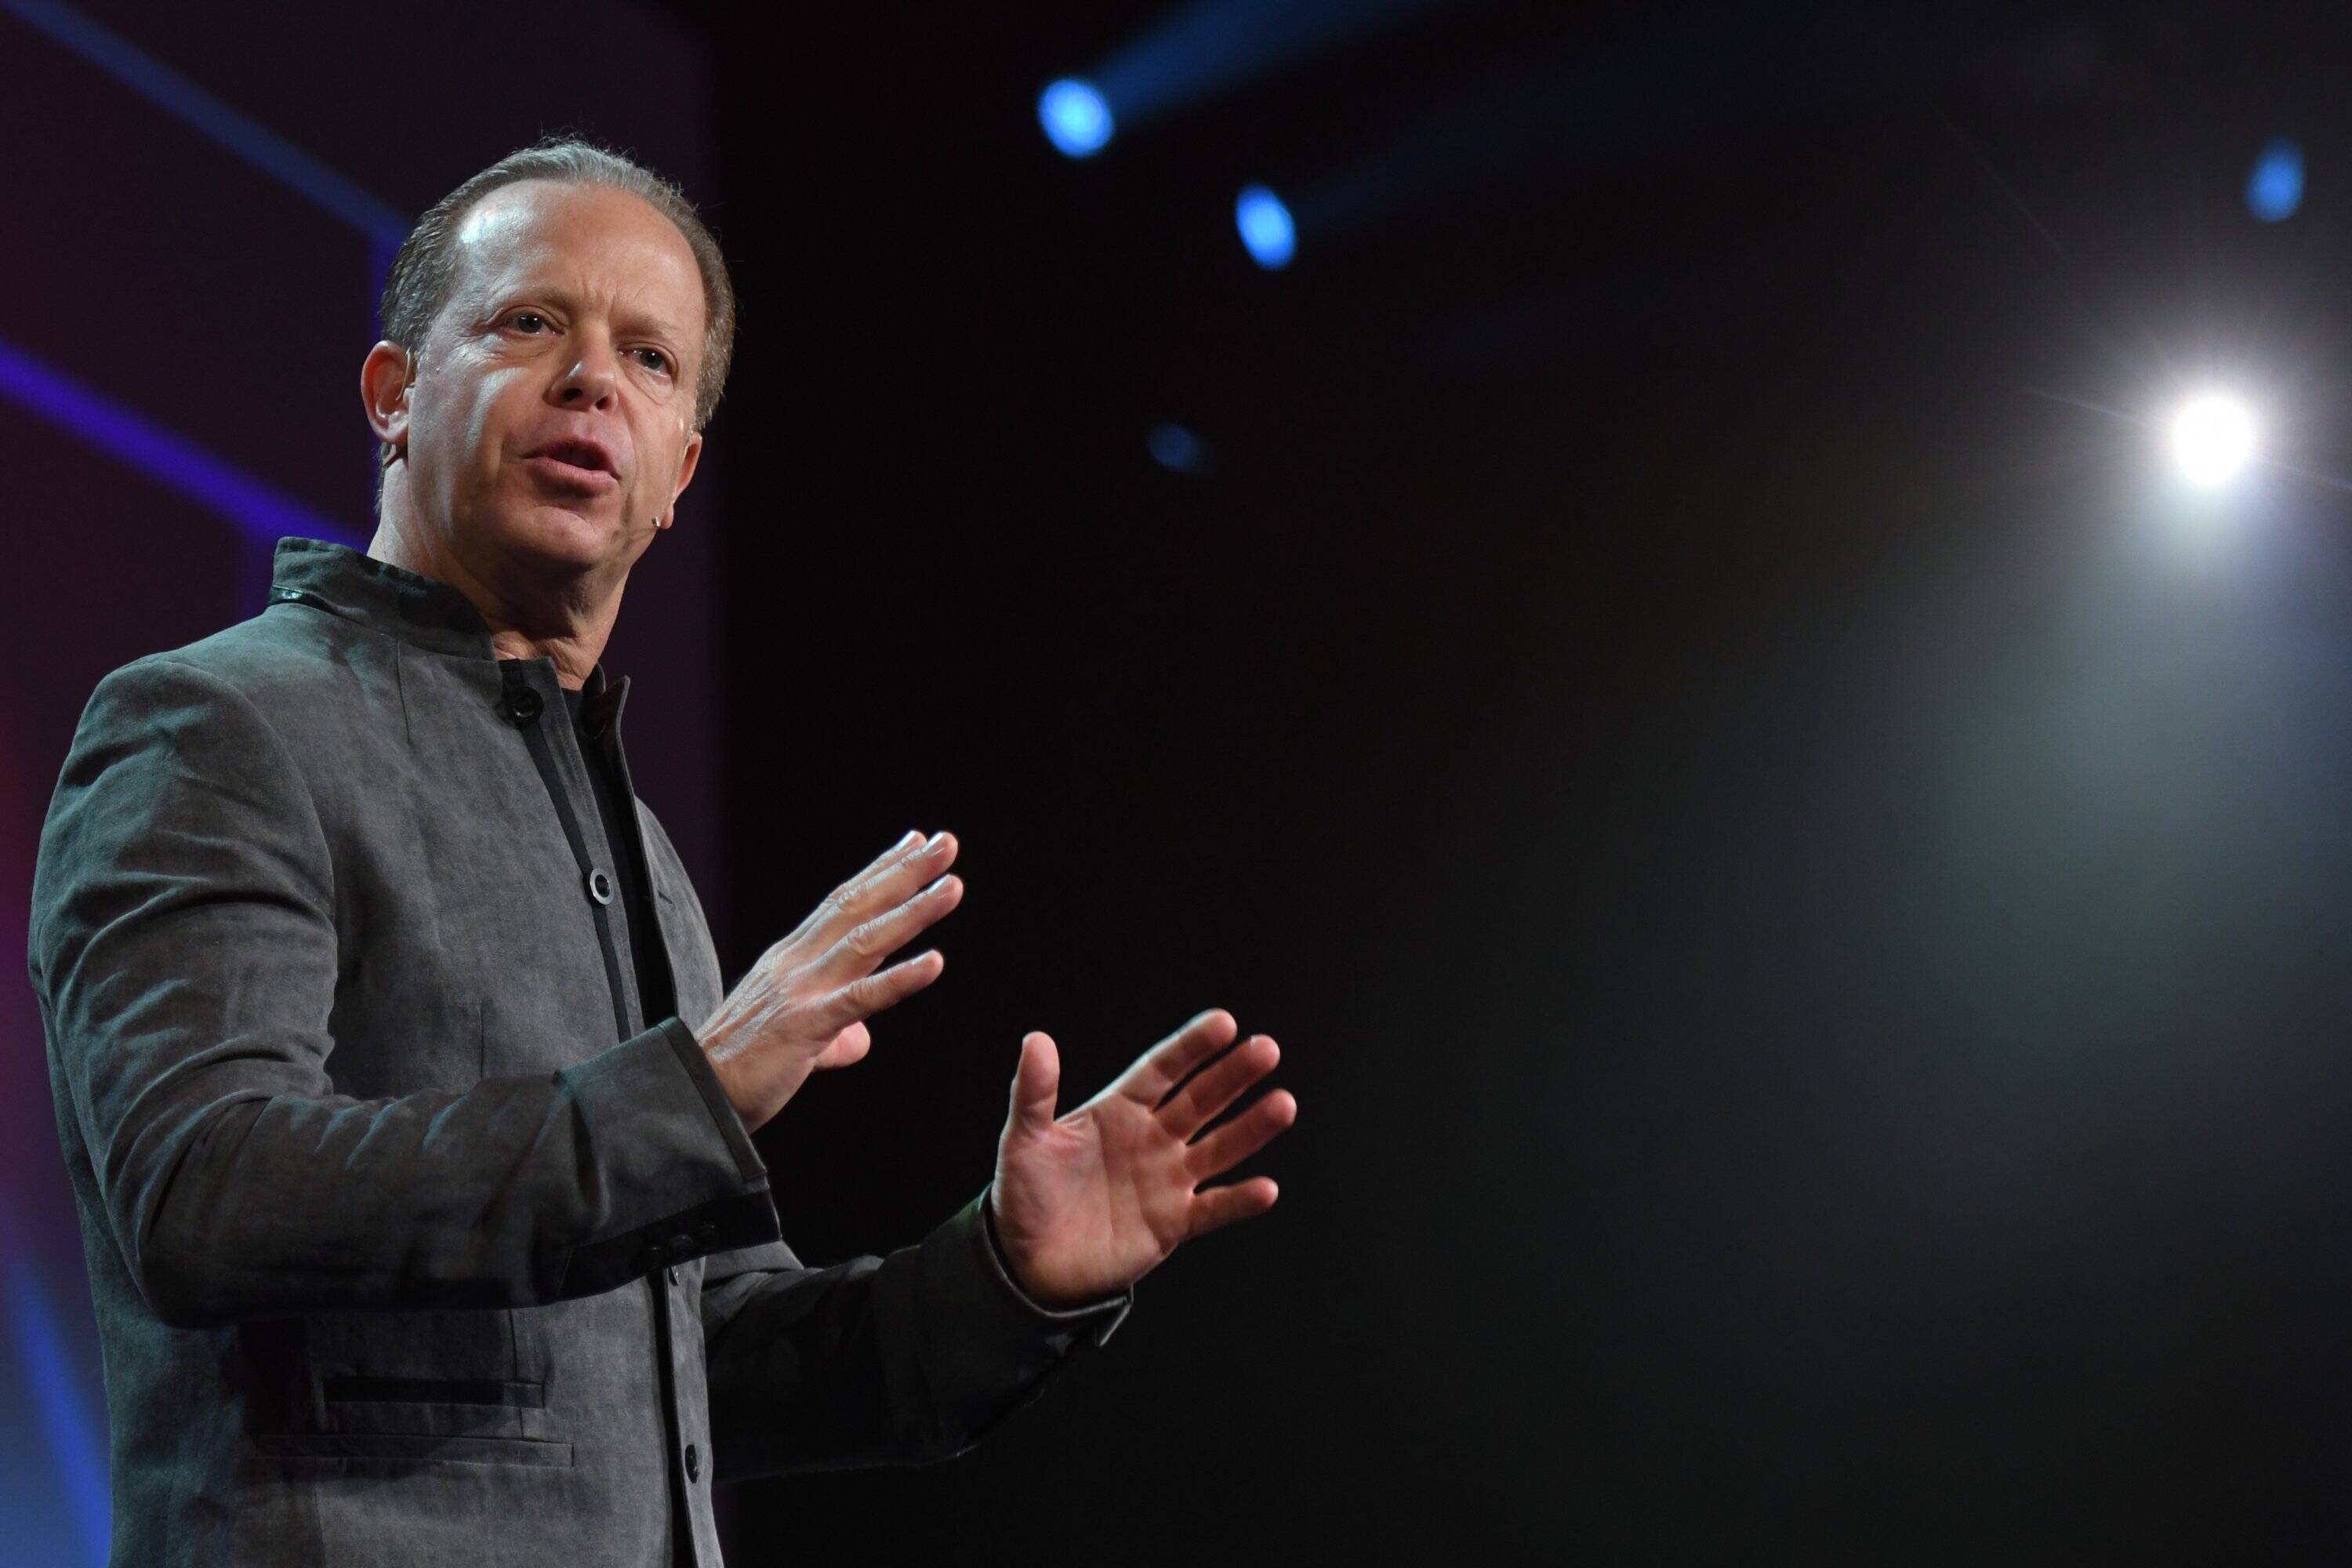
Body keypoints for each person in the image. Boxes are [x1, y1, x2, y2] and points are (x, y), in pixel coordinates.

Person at [27, 136, 1296, 1567]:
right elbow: (203, 1194)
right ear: (393, 395)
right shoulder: (215, 724)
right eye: (529, 324)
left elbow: (690, 1374)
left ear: (678, 470)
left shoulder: (638, 853)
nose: (591, 382)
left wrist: (1000, 1278)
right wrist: (690, 1086)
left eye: (650, 359)